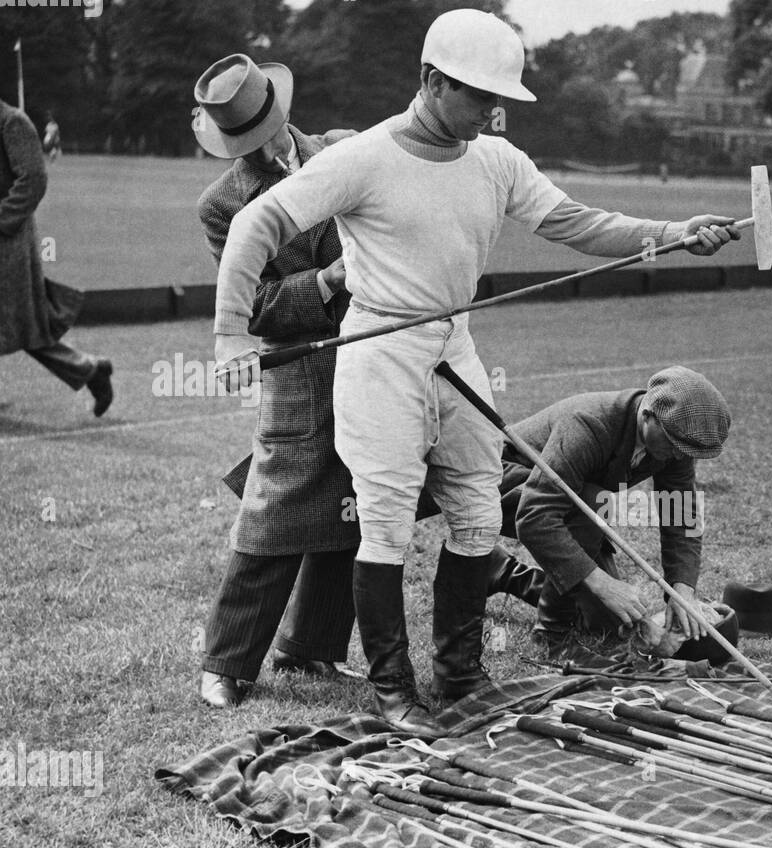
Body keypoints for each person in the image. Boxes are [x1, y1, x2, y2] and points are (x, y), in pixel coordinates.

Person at [212, 8, 741, 737]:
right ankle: (393, 687)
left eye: (501, 99)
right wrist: (227, 333)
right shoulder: (363, 158)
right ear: (430, 81)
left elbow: (574, 220)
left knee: (474, 510)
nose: (494, 112)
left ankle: (460, 672)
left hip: (454, 347)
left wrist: (669, 235)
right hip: (379, 352)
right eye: (480, 96)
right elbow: (253, 226)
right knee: (389, 524)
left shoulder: (496, 160)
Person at [192, 55, 358, 709]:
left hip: (375, 360)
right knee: (275, 509)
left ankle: (312, 647)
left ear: (280, 112)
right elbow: (253, 307)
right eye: (243, 141)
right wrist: (328, 280)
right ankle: (226, 662)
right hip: (298, 367)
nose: (259, 149)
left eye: (262, 129)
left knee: (356, 503)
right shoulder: (222, 205)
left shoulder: (346, 152)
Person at [483, 367, 730, 651]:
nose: (679, 455)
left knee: (610, 621)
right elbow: (535, 516)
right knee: (593, 503)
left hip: (577, 503)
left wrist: (681, 591)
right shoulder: (587, 423)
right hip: (502, 479)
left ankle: (501, 571)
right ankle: (553, 632)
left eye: (687, 450)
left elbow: (681, 515)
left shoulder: (675, 443)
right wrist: (602, 584)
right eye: (675, 445)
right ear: (648, 414)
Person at [0, 98, 112, 416]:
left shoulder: (12, 122)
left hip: (8, 245)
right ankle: (89, 369)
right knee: (23, 325)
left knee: (24, 325)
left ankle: (90, 370)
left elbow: (33, 179)